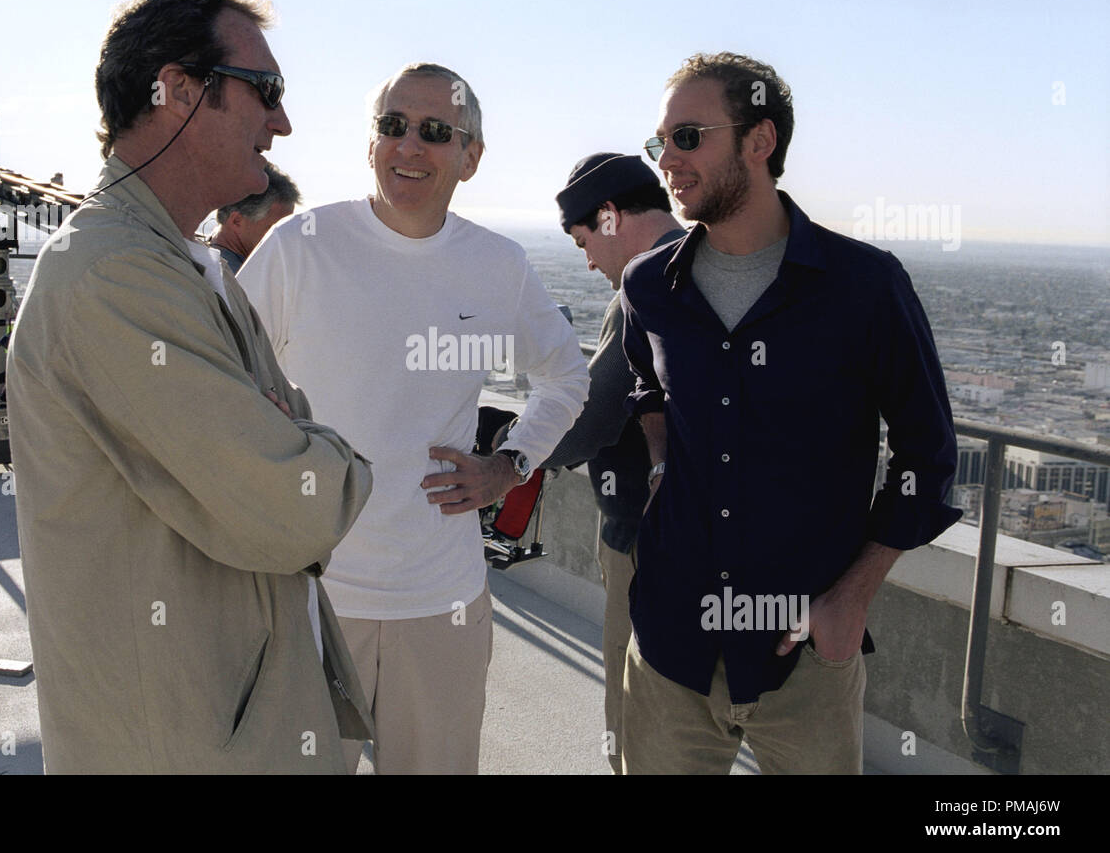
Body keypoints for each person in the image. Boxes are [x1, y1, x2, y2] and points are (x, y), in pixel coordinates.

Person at [5, 0, 374, 774]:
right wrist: (325, 457)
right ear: (176, 90)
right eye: (263, 89)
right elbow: (295, 503)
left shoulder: (181, 264)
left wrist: (285, 437)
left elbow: (278, 453)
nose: (282, 120)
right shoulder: (114, 277)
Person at [239, 62, 589, 774]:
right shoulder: (300, 246)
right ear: (370, 143)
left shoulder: (498, 266)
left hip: (441, 602)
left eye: (435, 132)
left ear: (471, 157)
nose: (409, 147)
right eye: (392, 126)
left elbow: (567, 375)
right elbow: (221, 371)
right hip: (308, 594)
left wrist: (511, 463)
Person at [619, 52, 961, 774]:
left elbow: (926, 457)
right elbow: (647, 385)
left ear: (759, 141)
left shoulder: (864, 287)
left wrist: (852, 598)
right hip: (668, 645)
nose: (666, 163)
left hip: (804, 656)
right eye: (659, 144)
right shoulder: (648, 284)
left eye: (688, 138)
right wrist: (658, 462)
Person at [541, 152, 682, 774]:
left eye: (583, 243)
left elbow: (589, 417)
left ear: (609, 217)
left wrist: (513, 457)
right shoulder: (716, 261)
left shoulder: (645, 284)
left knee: (638, 723)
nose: (591, 261)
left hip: (645, 541)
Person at [210, 162, 301, 274]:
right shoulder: (237, 278)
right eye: (274, 229)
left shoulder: (206, 259)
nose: (284, 238)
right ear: (236, 221)